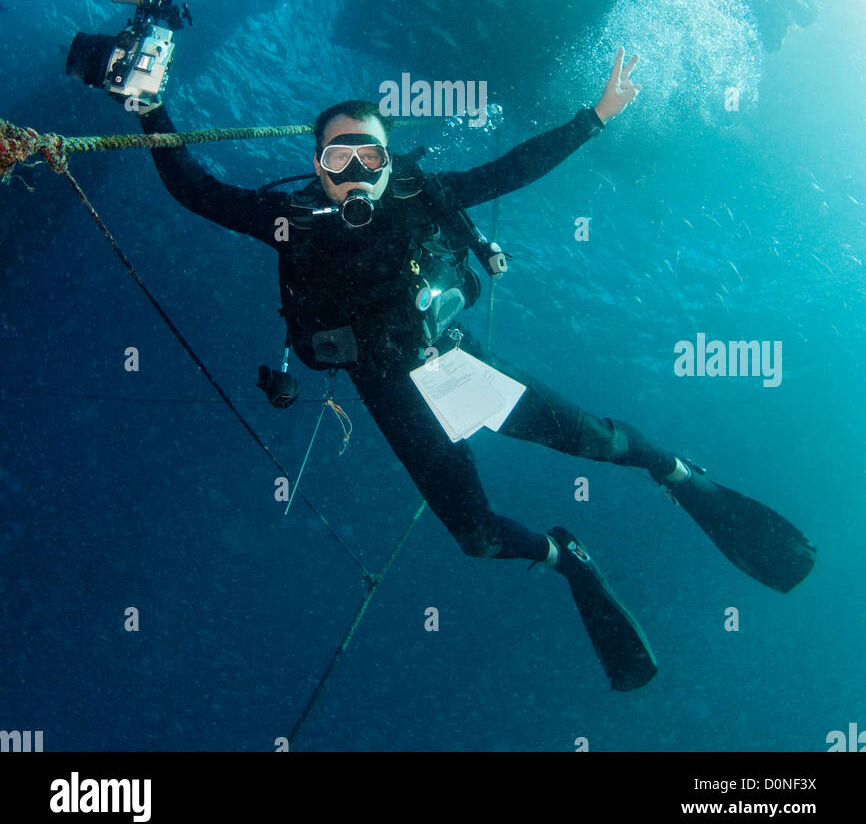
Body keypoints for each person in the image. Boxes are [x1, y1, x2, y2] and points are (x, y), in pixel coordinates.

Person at [134, 48, 814, 691]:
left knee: (597, 442)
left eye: (367, 154)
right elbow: (195, 190)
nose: (352, 170)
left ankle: (674, 471)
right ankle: (562, 556)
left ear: (386, 160)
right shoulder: (287, 218)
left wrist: (595, 116)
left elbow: (510, 170)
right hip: (389, 394)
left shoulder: (420, 197)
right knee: (479, 540)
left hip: (448, 367)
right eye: (337, 156)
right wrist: (148, 107)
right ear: (317, 164)